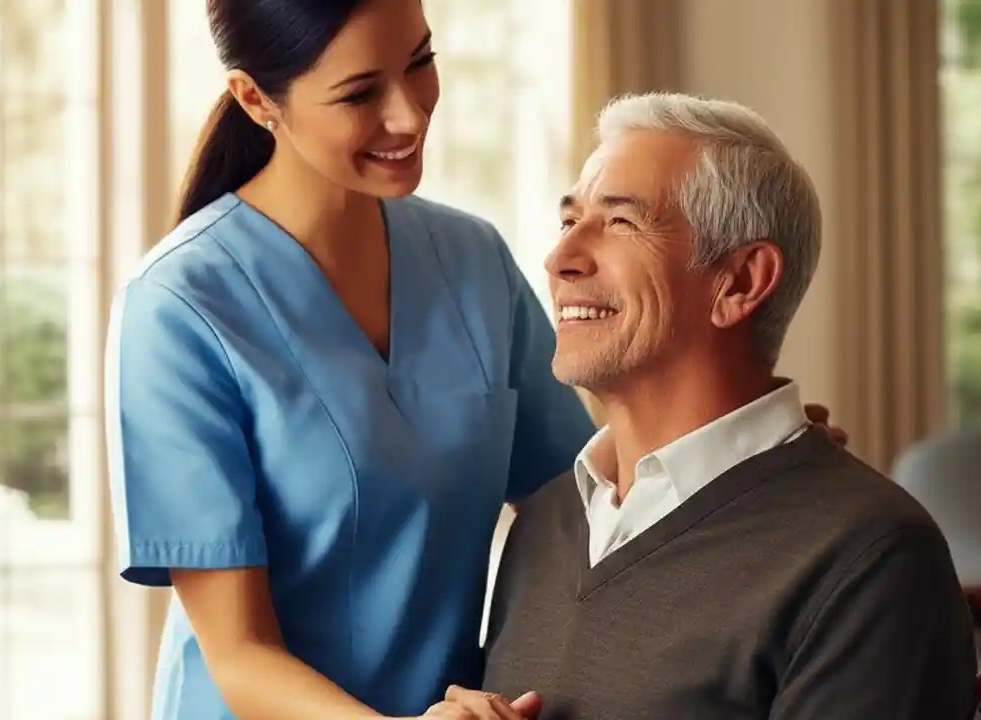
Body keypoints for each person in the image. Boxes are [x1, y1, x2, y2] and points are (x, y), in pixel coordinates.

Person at [104, 2, 840, 717]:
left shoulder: (470, 261)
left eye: (420, 61)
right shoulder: (180, 307)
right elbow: (239, 655)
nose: (409, 114)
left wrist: (744, 446)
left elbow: (582, 488)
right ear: (256, 99)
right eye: (360, 93)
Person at [461, 93, 976, 719]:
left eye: (621, 222)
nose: (560, 259)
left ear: (740, 283)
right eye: (569, 221)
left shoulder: (872, 558)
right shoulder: (543, 526)